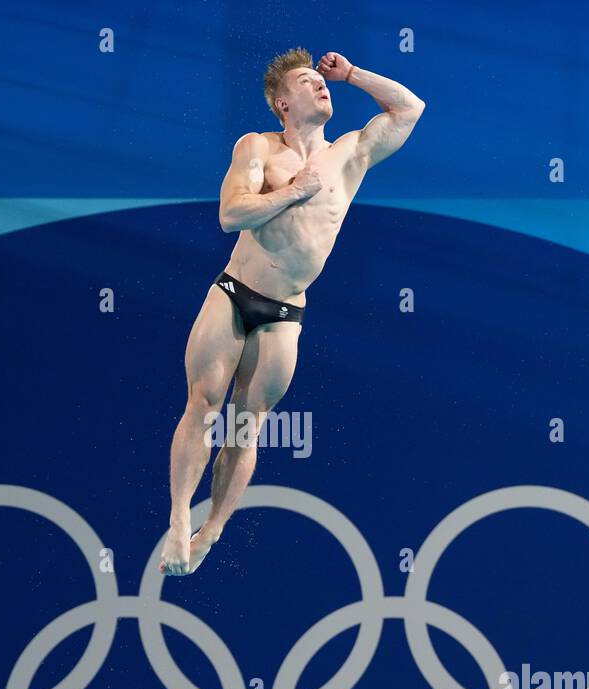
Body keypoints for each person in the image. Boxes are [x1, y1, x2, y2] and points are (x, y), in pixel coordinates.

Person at [159, 48, 425, 574]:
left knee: (246, 425)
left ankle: (211, 531)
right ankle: (175, 524)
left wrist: (351, 74)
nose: (321, 87)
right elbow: (231, 215)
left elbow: (409, 108)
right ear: (283, 102)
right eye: (309, 82)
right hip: (234, 293)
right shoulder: (258, 146)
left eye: (322, 81)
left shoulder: (351, 153)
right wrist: (293, 193)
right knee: (203, 404)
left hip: (285, 311)